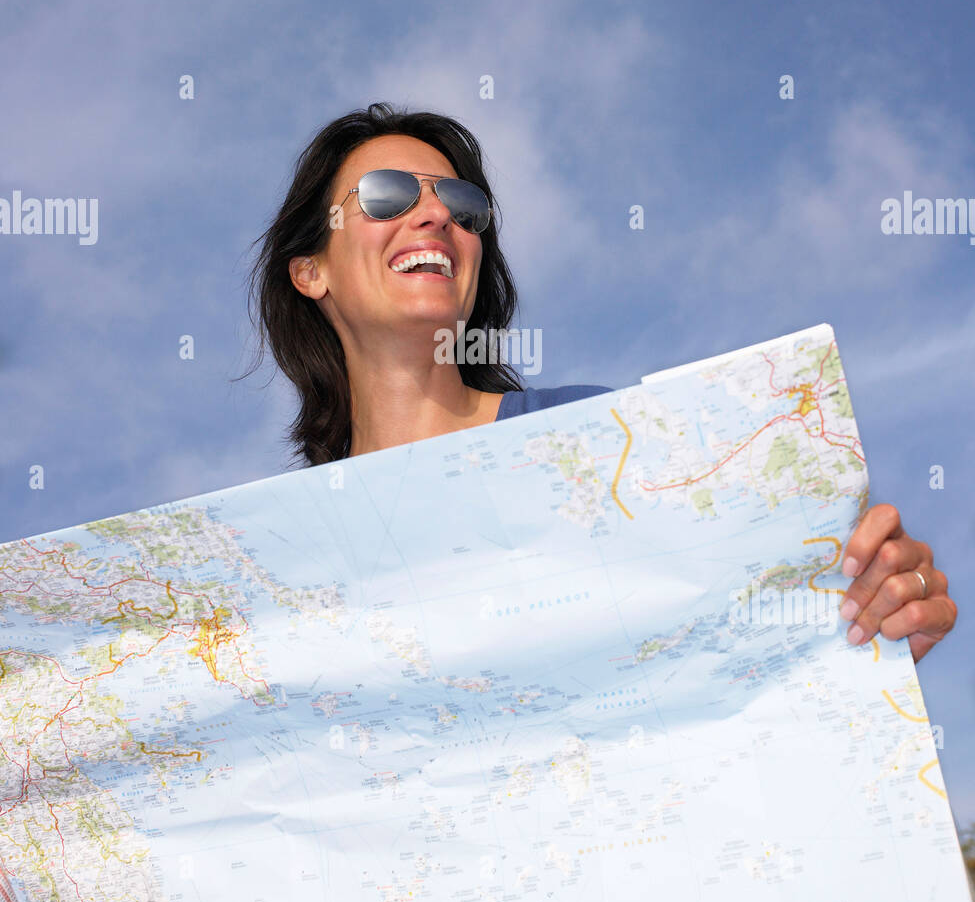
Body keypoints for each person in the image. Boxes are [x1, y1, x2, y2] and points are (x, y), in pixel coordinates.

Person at [246, 102, 957, 665]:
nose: (435, 215)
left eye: (462, 205)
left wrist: (871, 613)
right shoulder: (280, 563)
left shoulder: (608, 442)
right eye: (386, 195)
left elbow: (739, 647)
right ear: (311, 271)